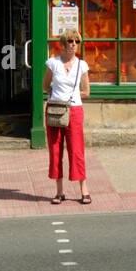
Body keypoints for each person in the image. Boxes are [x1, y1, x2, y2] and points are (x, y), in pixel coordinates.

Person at [43, 29, 91, 205]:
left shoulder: (82, 65)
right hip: (55, 110)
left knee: (77, 150)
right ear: (63, 44)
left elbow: (86, 91)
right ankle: (59, 191)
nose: (74, 45)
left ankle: (84, 189)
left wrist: (72, 98)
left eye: (77, 42)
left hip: (75, 111)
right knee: (55, 150)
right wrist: (56, 97)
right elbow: (45, 85)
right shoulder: (53, 63)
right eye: (70, 41)